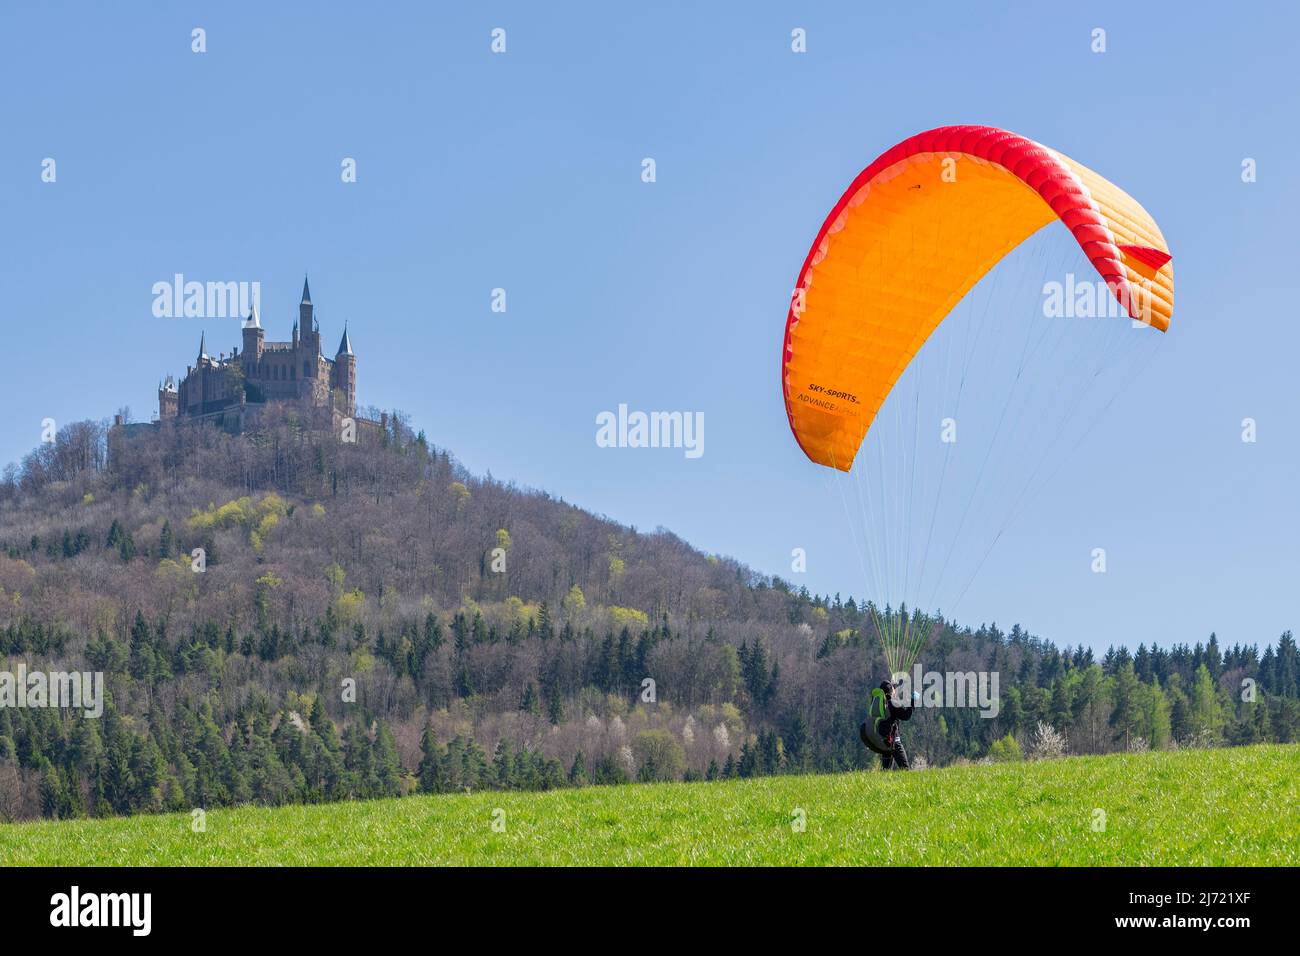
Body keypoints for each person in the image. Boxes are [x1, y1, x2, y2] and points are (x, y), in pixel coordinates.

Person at [875, 679, 914, 770]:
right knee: (905, 769)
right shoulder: (892, 703)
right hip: (893, 740)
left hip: (883, 740)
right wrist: (912, 702)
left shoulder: (880, 703)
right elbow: (905, 715)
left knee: (886, 771)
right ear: (890, 691)